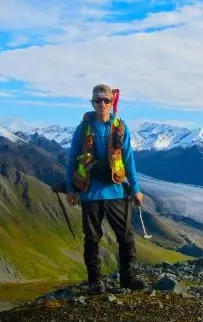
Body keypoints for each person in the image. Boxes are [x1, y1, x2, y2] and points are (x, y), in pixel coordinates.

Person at [66, 84, 145, 294]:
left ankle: (128, 277)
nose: (102, 104)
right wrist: (70, 189)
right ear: (92, 103)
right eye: (98, 100)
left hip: (116, 190)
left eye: (106, 100)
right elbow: (72, 159)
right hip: (90, 192)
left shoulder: (121, 128)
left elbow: (128, 159)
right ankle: (95, 281)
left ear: (112, 103)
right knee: (91, 238)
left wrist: (136, 188)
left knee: (126, 236)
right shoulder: (82, 129)